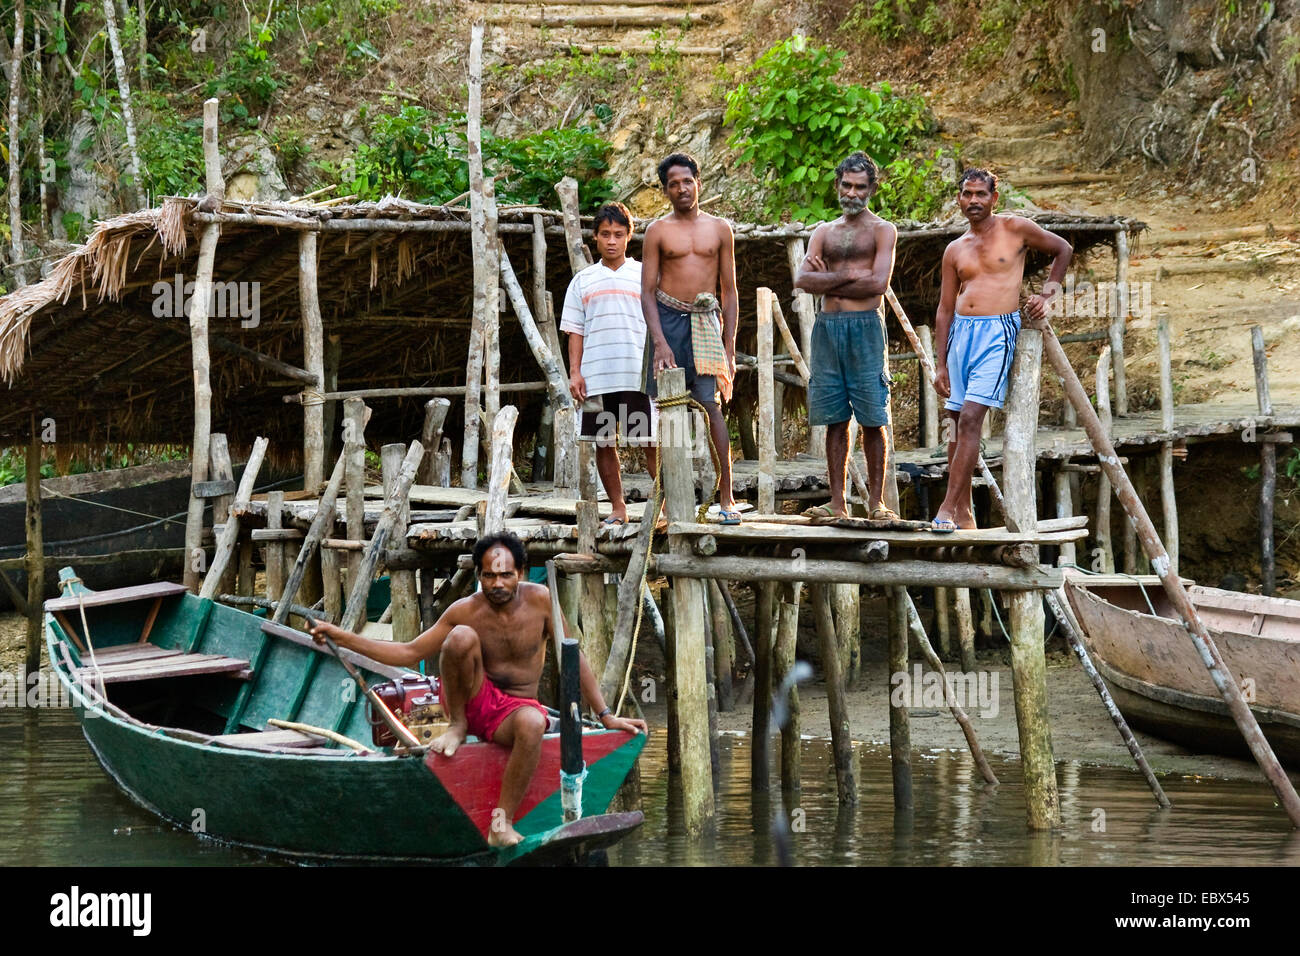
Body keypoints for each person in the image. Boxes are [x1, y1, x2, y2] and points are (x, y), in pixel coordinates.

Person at [309, 532, 647, 848]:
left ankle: (501, 824)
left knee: (533, 723)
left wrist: (605, 716)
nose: (497, 584)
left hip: (515, 712)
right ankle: (456, 727)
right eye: (489, 576)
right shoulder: (465, 610)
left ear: (522, 572)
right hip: (472, 703)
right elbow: (409, 652)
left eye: (506, 575)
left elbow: (572, 656)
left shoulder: (541, 601)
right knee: (460, 637)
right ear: (478, 576)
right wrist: (340, 636)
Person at [932, 168, 1072, 531]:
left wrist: (1047, 295)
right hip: (961, 335)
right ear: (959, 199)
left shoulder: (1015, 229)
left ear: (994, 197)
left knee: (973, 417)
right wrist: (940, 364)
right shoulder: (955, 249)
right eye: (967, 194)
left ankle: (946, 509)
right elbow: (945, 308)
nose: (973, 200)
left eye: (981, 194)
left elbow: (1062, 249)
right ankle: (962, 511)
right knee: (955, 419)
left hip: (997, 332)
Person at [793, 152, 899, 521]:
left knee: (873, 416)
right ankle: (836, 503)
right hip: (827, 330)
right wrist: (850, 276)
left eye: (860, 187)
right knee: (835, 419)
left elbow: (878, 283)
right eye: (846, 185)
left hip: (865, 328)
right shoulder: (824, 231)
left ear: (872, 188)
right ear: (837, 184)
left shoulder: (883, 230)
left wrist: (830, 278)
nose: (852, 193)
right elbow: (803, 281)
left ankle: (876, 503)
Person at [640, 152, 742, 523]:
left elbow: (729, 291)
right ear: (665, 190)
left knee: (710, 406)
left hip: (705, 321)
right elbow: (647, 292)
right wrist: (661, 342)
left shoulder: (719, 229)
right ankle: (670, 499)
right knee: (667, 411)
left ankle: (727, 496)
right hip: (667, 321)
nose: (681, 189)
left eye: (687, 181)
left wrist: (729, 346)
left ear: (698, 182)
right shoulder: (657, 231)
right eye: (673, 184)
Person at [560, 202, 658, 526]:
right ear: (595, 238)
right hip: (596, 376)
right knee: (604, 442)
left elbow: (659, 323)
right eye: (605, 234)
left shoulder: (645, 276)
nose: (612, 240)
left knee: (649, 441)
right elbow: (575, 331)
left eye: (618, 234)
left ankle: (663, 508)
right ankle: (618, 508)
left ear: (629, 236)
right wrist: (575, 373)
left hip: (636, 374)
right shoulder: (583, 281)